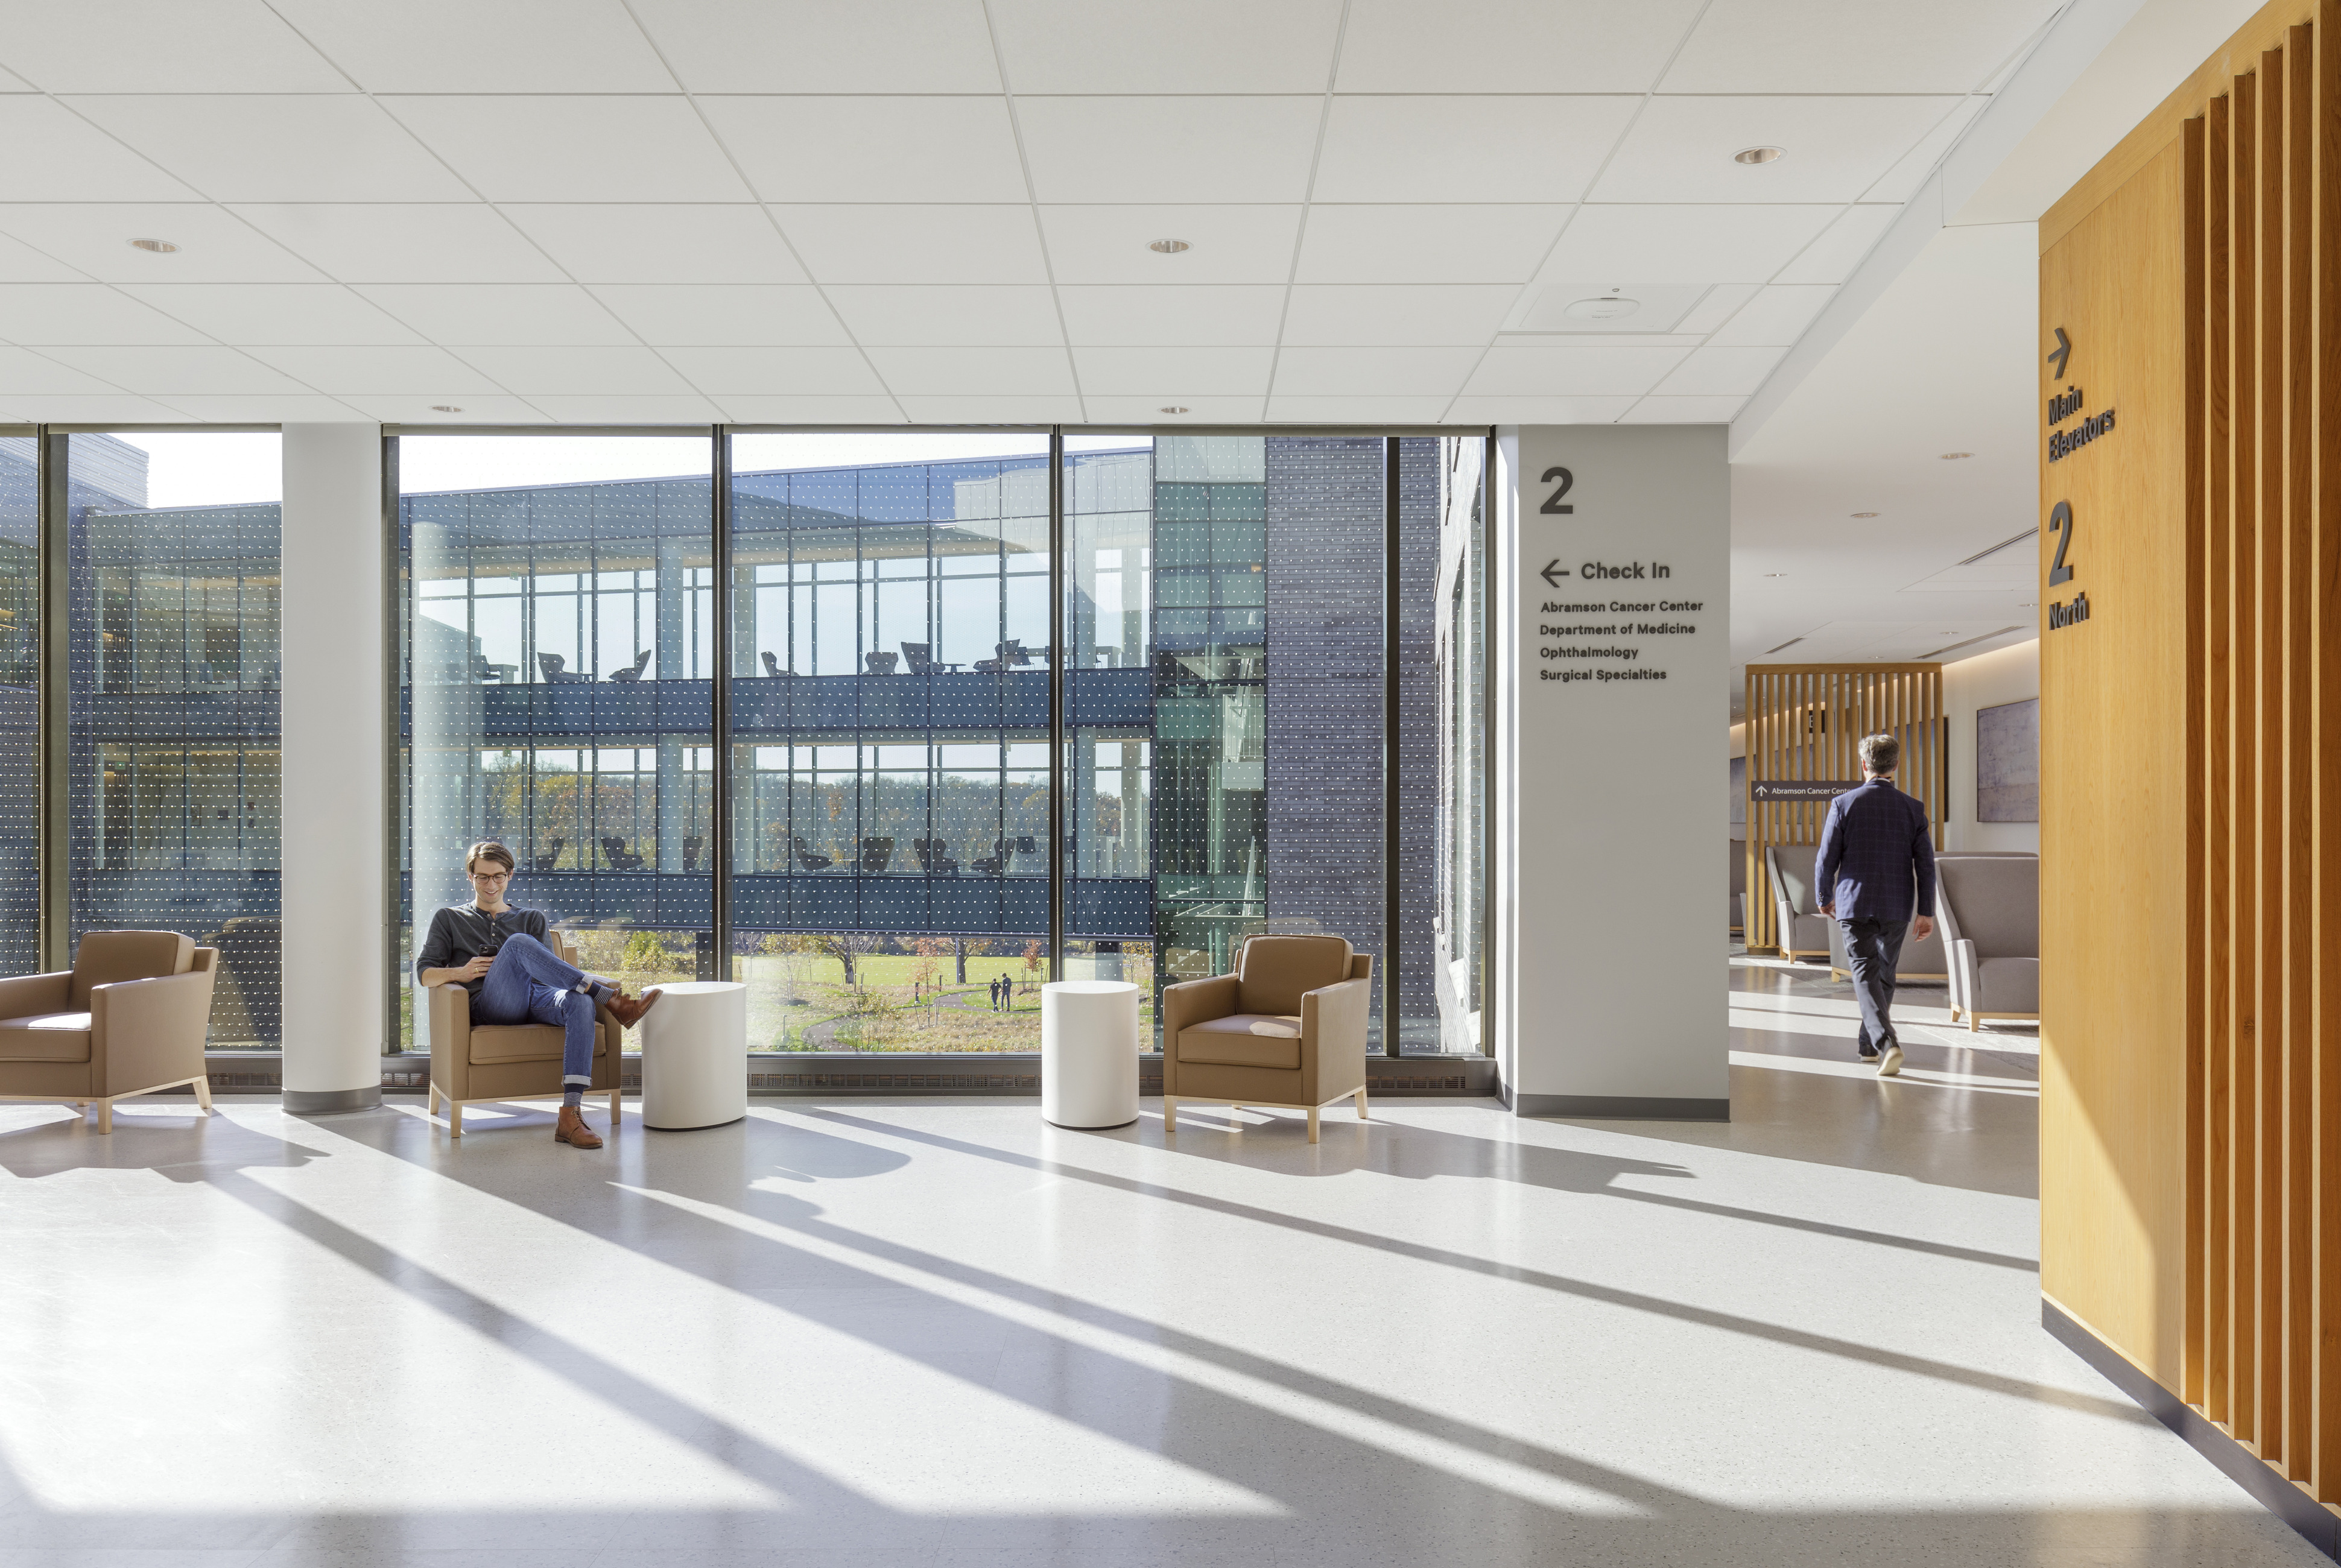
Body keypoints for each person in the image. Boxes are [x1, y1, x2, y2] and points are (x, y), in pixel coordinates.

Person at [415, 840, 659, 1148]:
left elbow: (549, 974)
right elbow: (424, 973)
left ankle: (570, 1115)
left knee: (580, 1001)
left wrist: (529, 970)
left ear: (510, 876)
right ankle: (611, 1000)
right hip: (491, 1005)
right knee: (518, 943)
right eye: (482, 877)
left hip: (538, 998)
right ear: (470, 876)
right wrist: (460, 973)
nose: (491, 885)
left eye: (498, 876)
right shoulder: (450, 918)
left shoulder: (532, 918)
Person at [1815, 733, 1937, 1078]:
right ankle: (1869, 1048)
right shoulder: (1913, 808)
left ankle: (1886, 1043)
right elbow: (1926, 865)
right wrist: (1926, 911)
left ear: (1863, 765)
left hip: (1854, 902)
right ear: (1896, 765)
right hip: (1897, 904)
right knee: (1883, 974)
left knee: (1865, 973)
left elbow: (1826, 858)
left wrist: (1824, 897)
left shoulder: (1844, 803)